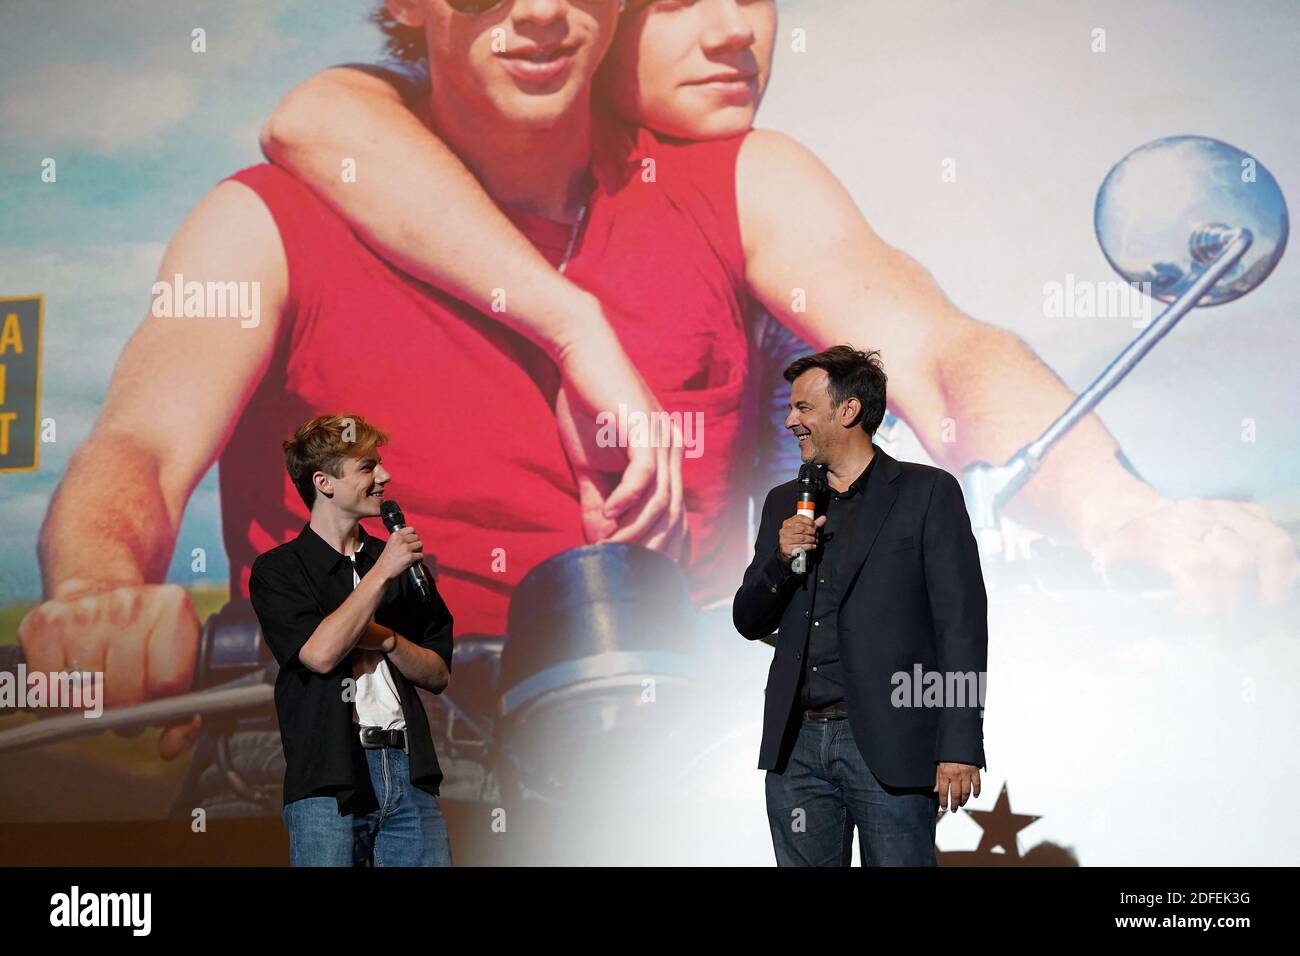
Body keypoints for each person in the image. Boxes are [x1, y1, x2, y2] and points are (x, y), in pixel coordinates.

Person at [733, 347, 986, 867]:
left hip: (887, 743)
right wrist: (781, 559)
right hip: (796, 746)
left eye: (803, 408)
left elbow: (961, 626)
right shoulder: (786, 501)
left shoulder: (926, 493)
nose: (789, 420)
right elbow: (748, 618)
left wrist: (960, 744)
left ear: (847, 411)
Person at [248, 413, 454, 866]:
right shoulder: (280, 570)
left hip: (407, 768)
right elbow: (320, 654)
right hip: (331, 779)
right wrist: (382, 572)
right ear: (324, 482)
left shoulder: (398, 562)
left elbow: (437, 673)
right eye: (367, 466)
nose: (385, 476)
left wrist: (384, 640)